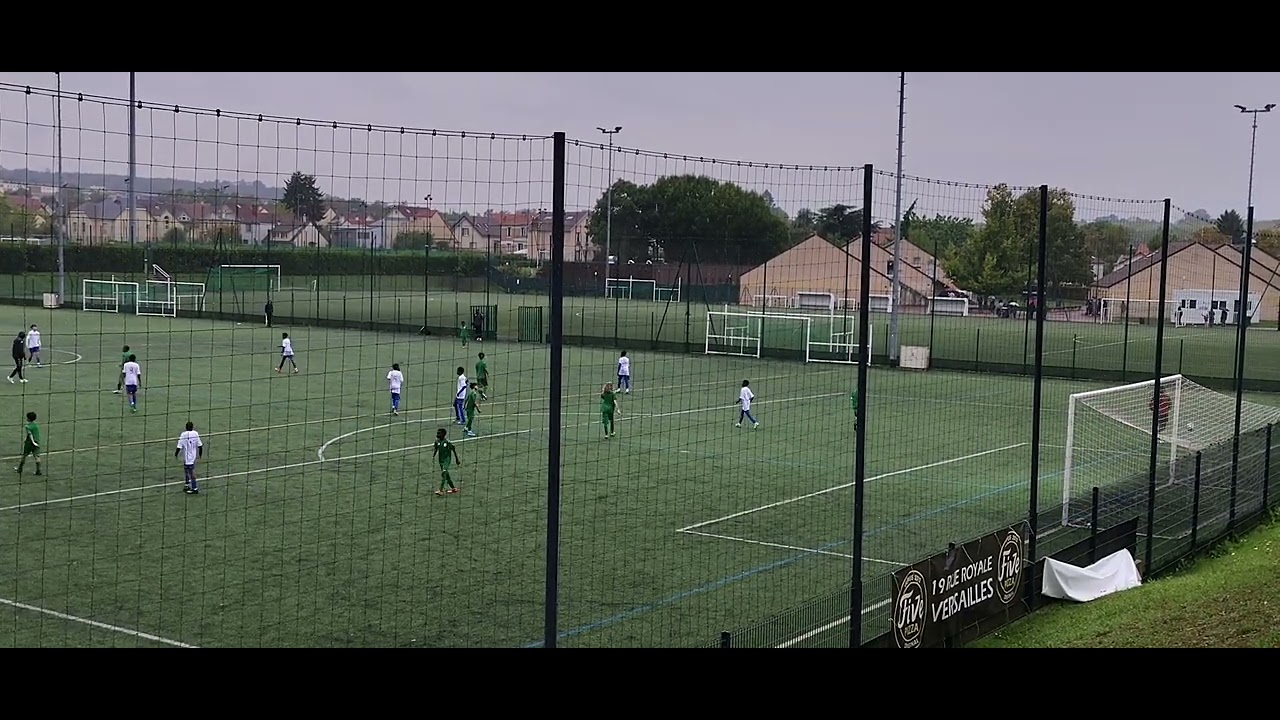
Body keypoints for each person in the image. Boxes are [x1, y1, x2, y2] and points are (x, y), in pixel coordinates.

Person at [175, 421, 203, 495]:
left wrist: (176, 454)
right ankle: (187, 484)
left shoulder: (183, 434)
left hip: (187, 457)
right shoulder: (195, 433)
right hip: (192, 456)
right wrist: (200, 455)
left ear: (186, 427)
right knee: (186, 469)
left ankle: (194, 488)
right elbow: (200, 446)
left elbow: (179, 446)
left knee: (191, 472)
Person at [431, 427, 461, 496]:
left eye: (439, 433)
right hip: (440, 460)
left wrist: (457, 459)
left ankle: (440, 490)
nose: (437, 434)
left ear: (443, 434)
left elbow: (453, 450)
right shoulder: (437, 441)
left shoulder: (447, 442)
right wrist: (433, 456)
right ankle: (453, 488)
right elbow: (436, 448)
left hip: (447, 460)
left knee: (444, 473)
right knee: (446, 475)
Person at [14, 411, 41, 476]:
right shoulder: (36, 425)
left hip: (30, 443)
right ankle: (38, 470)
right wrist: (36, 442)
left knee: (24, 455)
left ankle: (20, 469)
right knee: (36, 456)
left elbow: (30, 434)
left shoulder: (27, 426)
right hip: (37, 441)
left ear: (28, 418)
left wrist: (33, 442)